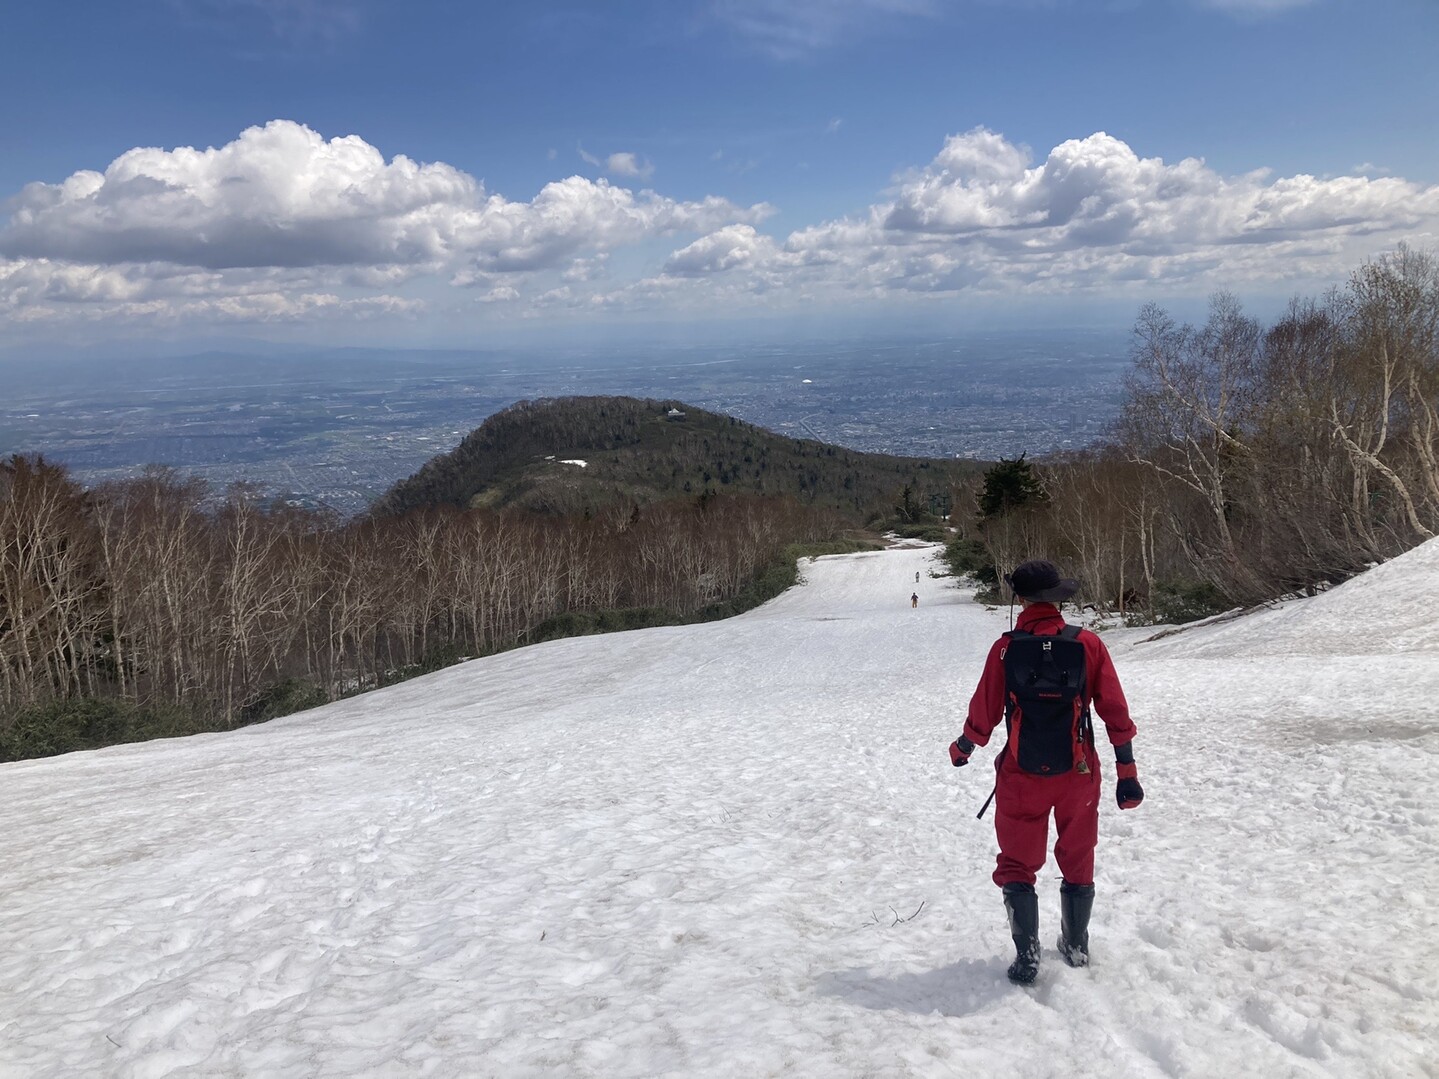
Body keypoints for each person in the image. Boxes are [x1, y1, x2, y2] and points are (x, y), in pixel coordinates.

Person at [948, 559, 1144, 985]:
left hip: (1022, 775)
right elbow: (1115, 712)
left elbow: (985, 711)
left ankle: (1027, 956)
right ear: (1058, 597)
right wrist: (1127, 773)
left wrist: (964, 747)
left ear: (1020, 599)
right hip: (1079, 774)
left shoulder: (1005, 648)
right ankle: (1075, 946)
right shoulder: (1088, 644)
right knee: (1078, 855)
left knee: (1018, 862)